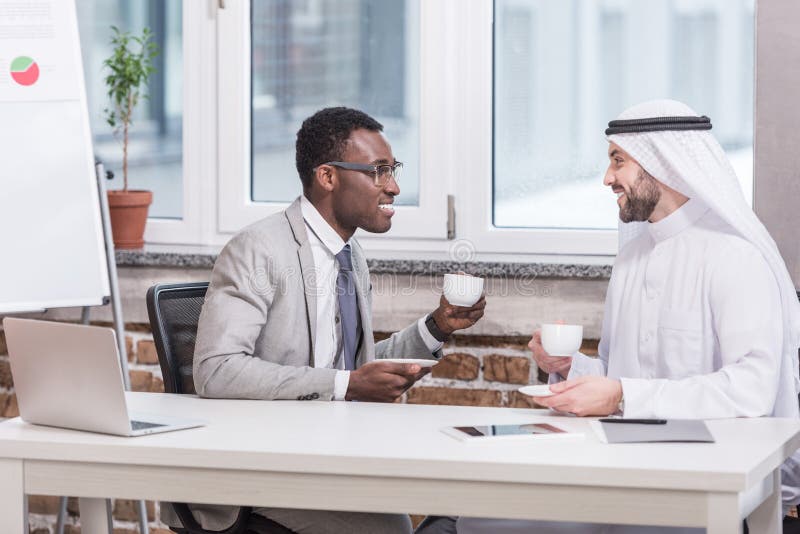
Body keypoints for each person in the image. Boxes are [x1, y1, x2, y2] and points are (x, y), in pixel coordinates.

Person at [457, 99, 800, 534]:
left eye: (618, 161)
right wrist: (568, 367)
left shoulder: (734, 258)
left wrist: (621, 396)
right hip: (617, 464)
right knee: (480, 520)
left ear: (664, 164)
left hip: (701, 476)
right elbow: (618, 374)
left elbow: (752, 391)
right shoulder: (632, 258)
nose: (607, 178)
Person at [164, 107, 486, 534]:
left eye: (394, 170)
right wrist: (348, 385)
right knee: (390, 527)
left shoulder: (351, 255)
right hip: (260, 472)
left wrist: (438, 327)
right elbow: (216, 370)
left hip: (326, 450)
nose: (394, 187)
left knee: (458, 488)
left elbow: (352, 369)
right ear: (328, 177)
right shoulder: (259, 249)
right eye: (378, 171)